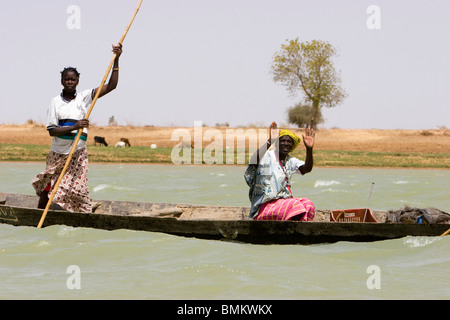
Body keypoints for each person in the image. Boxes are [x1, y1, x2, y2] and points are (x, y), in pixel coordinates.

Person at [31, 44, 123, 213]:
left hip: (78, 154)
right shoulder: (55, 102)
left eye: (73, 79)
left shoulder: (84, 98)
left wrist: (116, 59)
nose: (70, 82)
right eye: (67, 79)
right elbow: (52, 130)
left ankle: (77, 215)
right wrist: (75, 126)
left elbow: (111, 86)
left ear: (78, 81)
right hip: (59, 153)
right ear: (62, 81)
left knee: (77, 190)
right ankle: (38, 215)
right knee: (49, 185)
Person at [244, 123, 316, 221]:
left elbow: (306, 168)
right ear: (277, 143)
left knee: (308, 204)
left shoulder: (290, 161)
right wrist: (270, 141)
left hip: (284, 204)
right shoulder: (266, 156)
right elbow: (254, 161)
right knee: (295, 205)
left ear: (292, 145)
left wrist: (309, 149)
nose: (286, 143)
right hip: (264, 207)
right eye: (282, 141)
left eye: (289, 141)